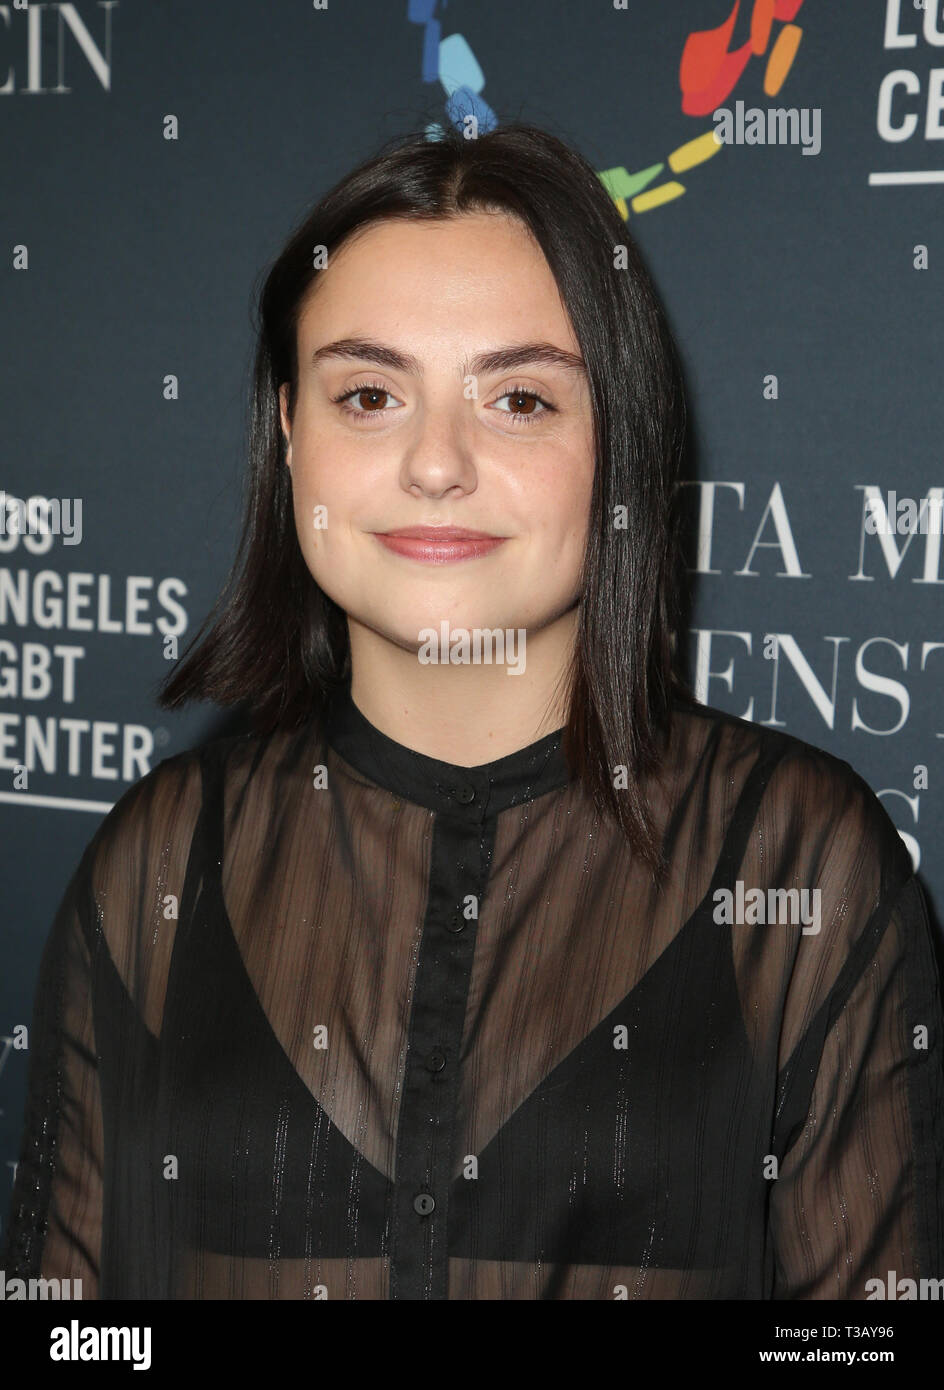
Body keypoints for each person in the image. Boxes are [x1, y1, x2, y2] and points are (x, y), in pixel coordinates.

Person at [3, 121, 942, 1301]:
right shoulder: (158, 860)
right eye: (367, 392)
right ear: (289, 431)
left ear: (621, 444)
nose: (435, 462)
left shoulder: (798, 859)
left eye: (517, 399)